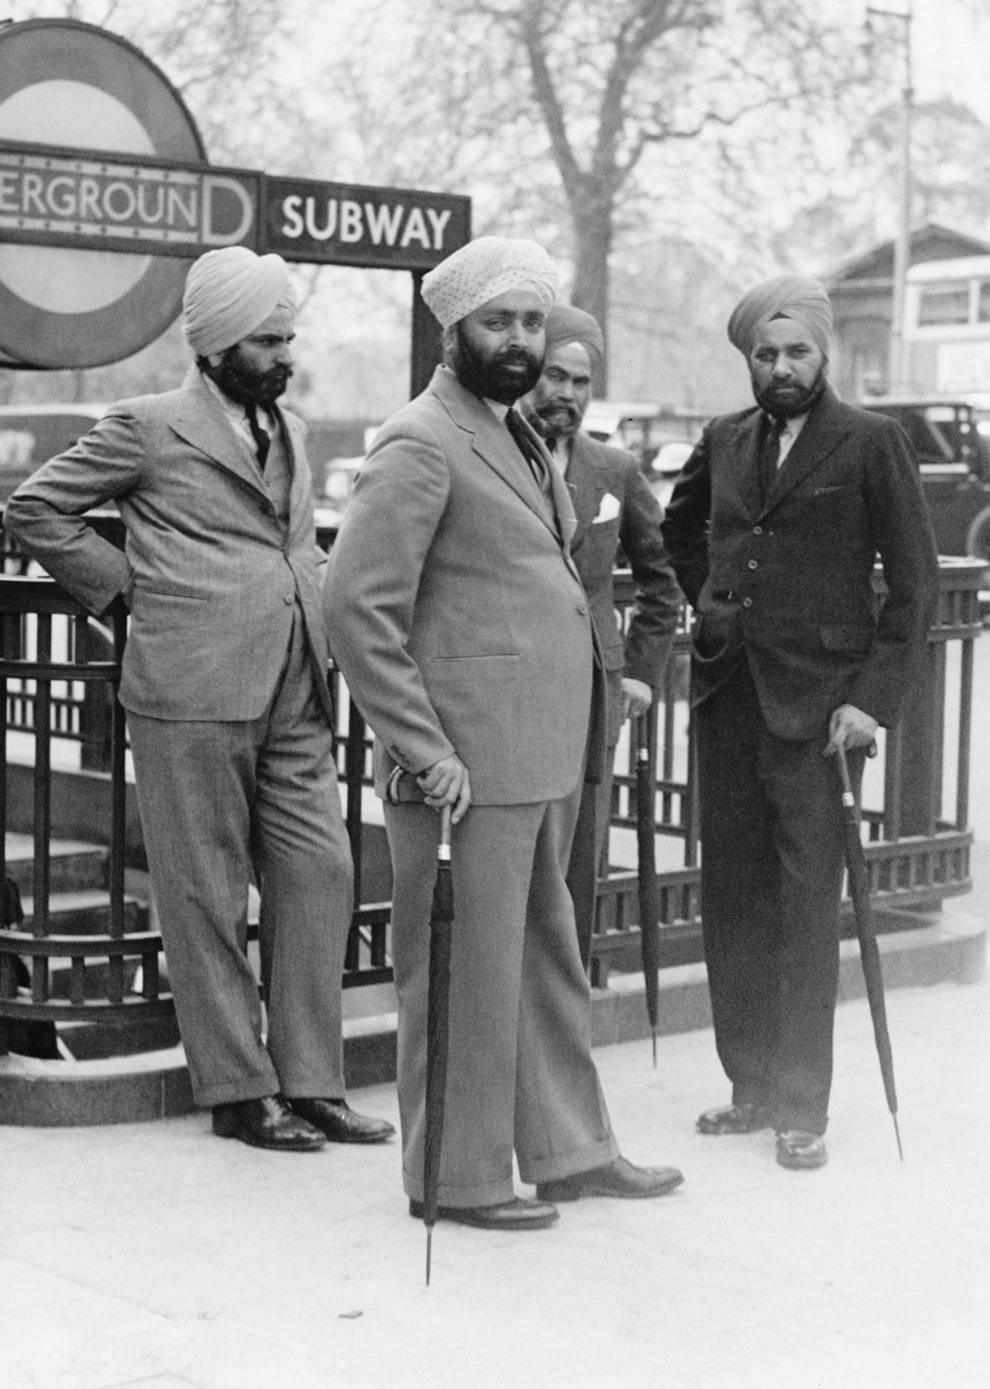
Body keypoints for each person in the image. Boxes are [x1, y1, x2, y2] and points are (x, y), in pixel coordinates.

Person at [323, 236, 683, 1231]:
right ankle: (457, 1177)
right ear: (455, 330)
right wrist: (422, 748)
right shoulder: (421, 439)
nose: (520, 341)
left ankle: (570, 1150)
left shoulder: (511, 431)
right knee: (462, 977)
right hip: (462, 769)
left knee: (543, 960)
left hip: (534, 756)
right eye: (499, 322)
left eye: (532, 321)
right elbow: (358, 610)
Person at [4, 246, 394, 1152]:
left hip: (295, 679)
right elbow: (36, 507)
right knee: (205, 892)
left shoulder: (289, 426)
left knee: (319, 874)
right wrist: (128, 587)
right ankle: (238, 1089)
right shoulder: (146, 426)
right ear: (215, 342)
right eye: (265, 338)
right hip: (189, 688)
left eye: (287, 336)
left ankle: (313, 1082)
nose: (282, 353)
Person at [660, 275, 938, 1171]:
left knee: (807, 905)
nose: (781, 368)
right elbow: (679, 529)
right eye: (765, 354)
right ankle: (747, 1085)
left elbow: (916, 584)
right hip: (728, 695)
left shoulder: (870, 442)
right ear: (749, 360)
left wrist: (870, 698)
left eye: (797, 353)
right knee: (734, 894)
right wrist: (715, 606)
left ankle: (799, 1103)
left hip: (820, 713)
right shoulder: (724, 438)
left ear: (822, 356)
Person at [520, 305, 682, 966]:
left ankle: (568, 1002)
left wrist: (640, 673)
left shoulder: (613, 469)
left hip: (592, 691)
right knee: (517, 858)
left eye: (581, 381)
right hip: (515, 685)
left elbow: (661, 580)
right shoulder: (492, 454)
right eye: (553, 375)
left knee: (580, 858)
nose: (566, 393)